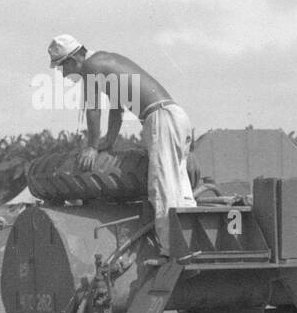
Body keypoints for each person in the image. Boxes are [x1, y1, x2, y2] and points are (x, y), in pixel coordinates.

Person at [47, 34, 196, 253]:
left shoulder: (90, 66)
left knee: (162, 189)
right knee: (180, 190)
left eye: (62, 67)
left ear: (72, 59)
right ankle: (191, 245)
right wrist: (108, 141)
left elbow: (94, 108)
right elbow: (116, 109)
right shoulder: (104, 62)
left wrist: (91, 146)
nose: (64, 73)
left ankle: (171, 253)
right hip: (173, 115)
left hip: (160, 119)